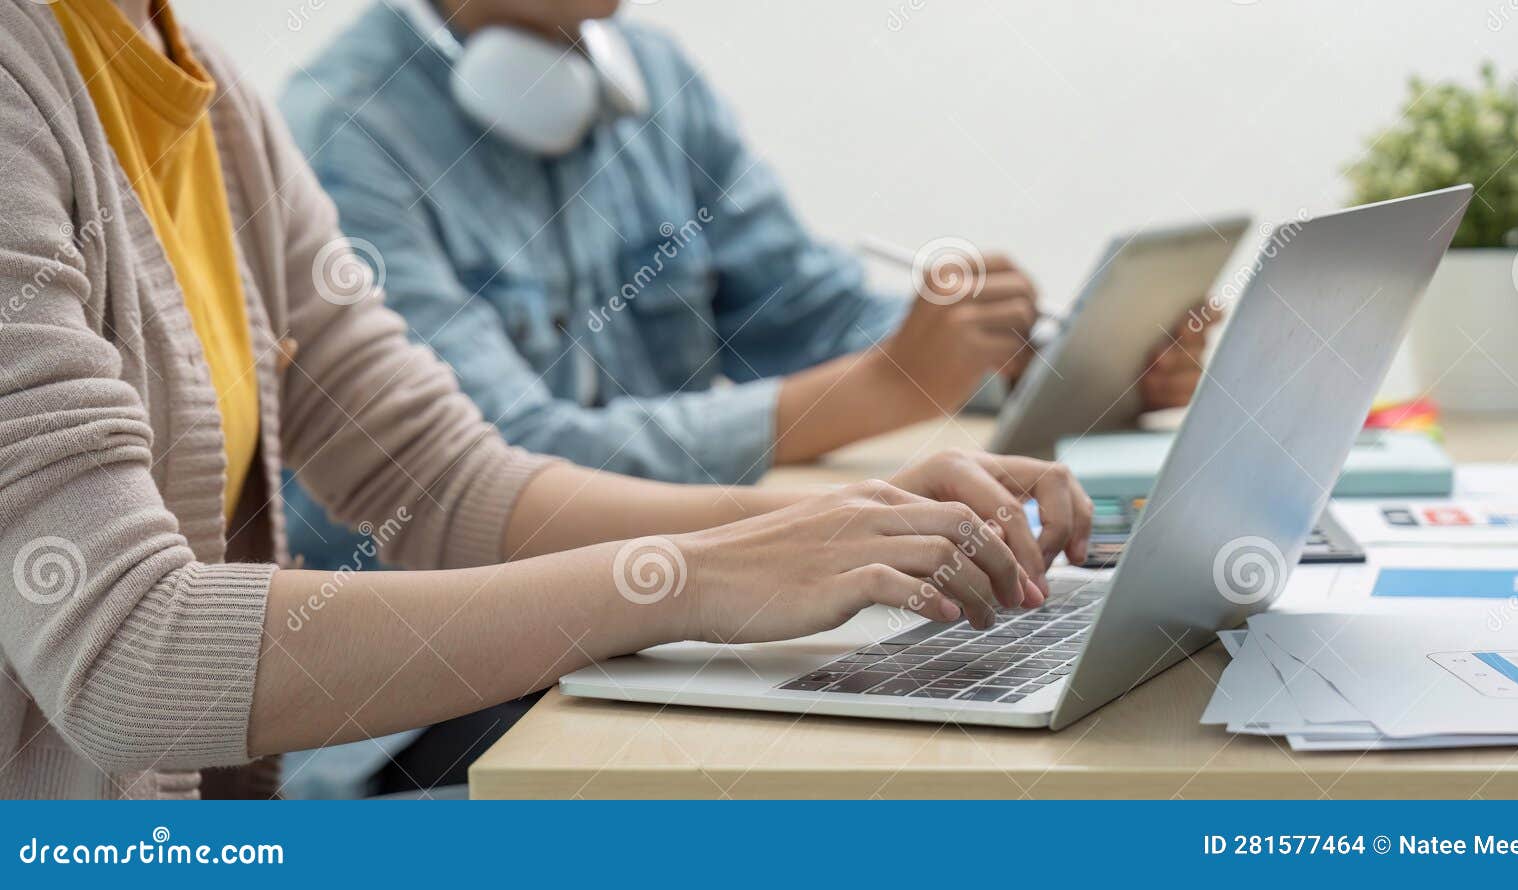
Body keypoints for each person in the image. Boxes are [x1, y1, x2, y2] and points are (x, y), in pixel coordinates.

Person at [0, 0, 1093, 800]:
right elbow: (130, 655)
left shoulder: (210, 97)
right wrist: (689, 578)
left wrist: (837, 523)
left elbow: (445, 483)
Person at [277, 0, 1213, 573]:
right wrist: (888, 384)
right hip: (448, 662)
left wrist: (1040, 364)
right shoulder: (344, 138)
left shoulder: (652, 74)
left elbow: (810, 311)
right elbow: (508, 471)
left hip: (667, 578)